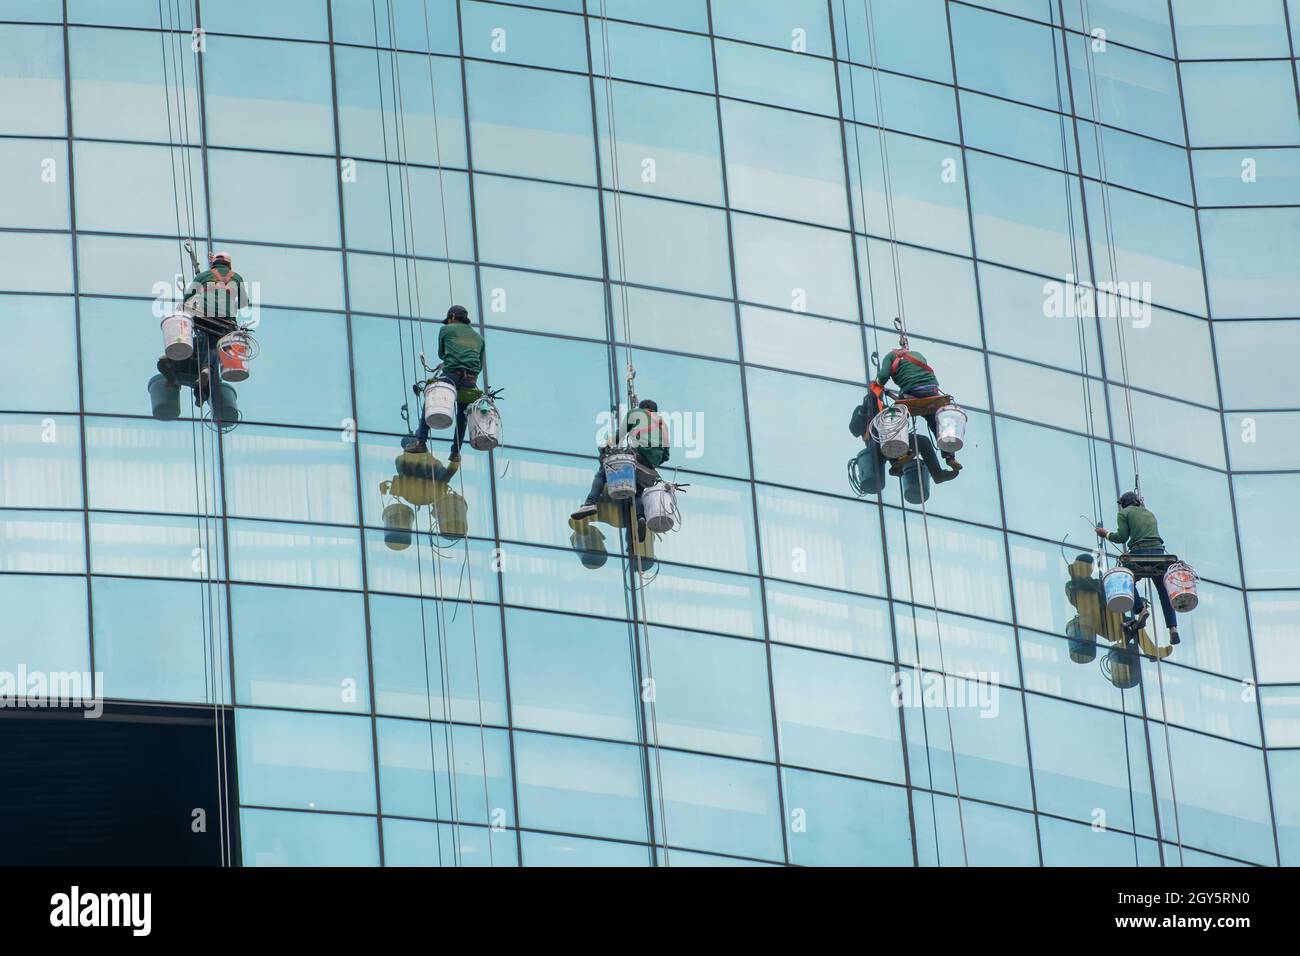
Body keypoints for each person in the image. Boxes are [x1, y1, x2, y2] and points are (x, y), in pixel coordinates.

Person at [158, 251, 249, 414]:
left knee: (202, 337)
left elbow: (187, 298)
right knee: (217, 347)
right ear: (229, 264)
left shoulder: (204, 275)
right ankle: (206, 369)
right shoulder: (236, 278)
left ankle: (182, 359)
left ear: (213, 263)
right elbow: (243, 303)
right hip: (225, 321)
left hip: (203, 316)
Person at [570, 398, 670, 542]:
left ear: (642, 408)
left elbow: (618, 436)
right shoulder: (663, 424)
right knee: (637, 493)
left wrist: (605, 445)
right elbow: (666, 456)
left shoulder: (636, 413)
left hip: (636, 456)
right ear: (654, 410)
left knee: (603, 473)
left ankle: (589, 503)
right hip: (649, 467)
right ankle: (640, 517)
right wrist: (651, 461)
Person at [1096, 491, 1180, 644]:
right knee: (1163, 590)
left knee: (1126, 579)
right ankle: (1173, 628)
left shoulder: (1124, 513)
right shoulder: (1149, 513)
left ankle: (1140, 610)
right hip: (1158, 553)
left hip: (1139, 552)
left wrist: (1105, 534)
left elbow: (1122, 537)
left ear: (1123, 504)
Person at [869, 336, 961, 474]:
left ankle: (905, 452)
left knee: (898, 417)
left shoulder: (889, 357)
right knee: (934, 422)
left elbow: (883, 377)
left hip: (912, 391)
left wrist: (876, 384)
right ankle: (950, 456)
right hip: (932, 392)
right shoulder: (918, 355)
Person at [404, 305, 485, 462]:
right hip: (471, 380)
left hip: (451, 375)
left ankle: (421, 441)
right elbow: (479, 366)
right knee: (462, 415)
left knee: (431, 397)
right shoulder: (479, 338)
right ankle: (455, 453)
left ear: (453, 317)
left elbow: (442, 354)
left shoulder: (446, 330)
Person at [851, 388, 958, 484]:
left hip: (895, 441)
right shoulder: (862, 410)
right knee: (890, 442)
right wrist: (864, 410)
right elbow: (854, 430)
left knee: (922, 441)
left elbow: (901, 423)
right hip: (877, 445)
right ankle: (897, 464)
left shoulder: (887, 409)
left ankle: (937, 474)